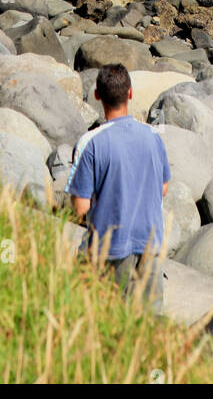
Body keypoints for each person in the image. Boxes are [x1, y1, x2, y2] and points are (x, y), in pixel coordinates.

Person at [66, 63, 171, 309]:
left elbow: (80, 208)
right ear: (131, 93)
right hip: (150, 243)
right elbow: (164, 187)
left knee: (101, 319)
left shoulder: (90, 142)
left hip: (109, 247)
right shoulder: (153, 136)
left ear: (97, 96)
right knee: (147, 327)